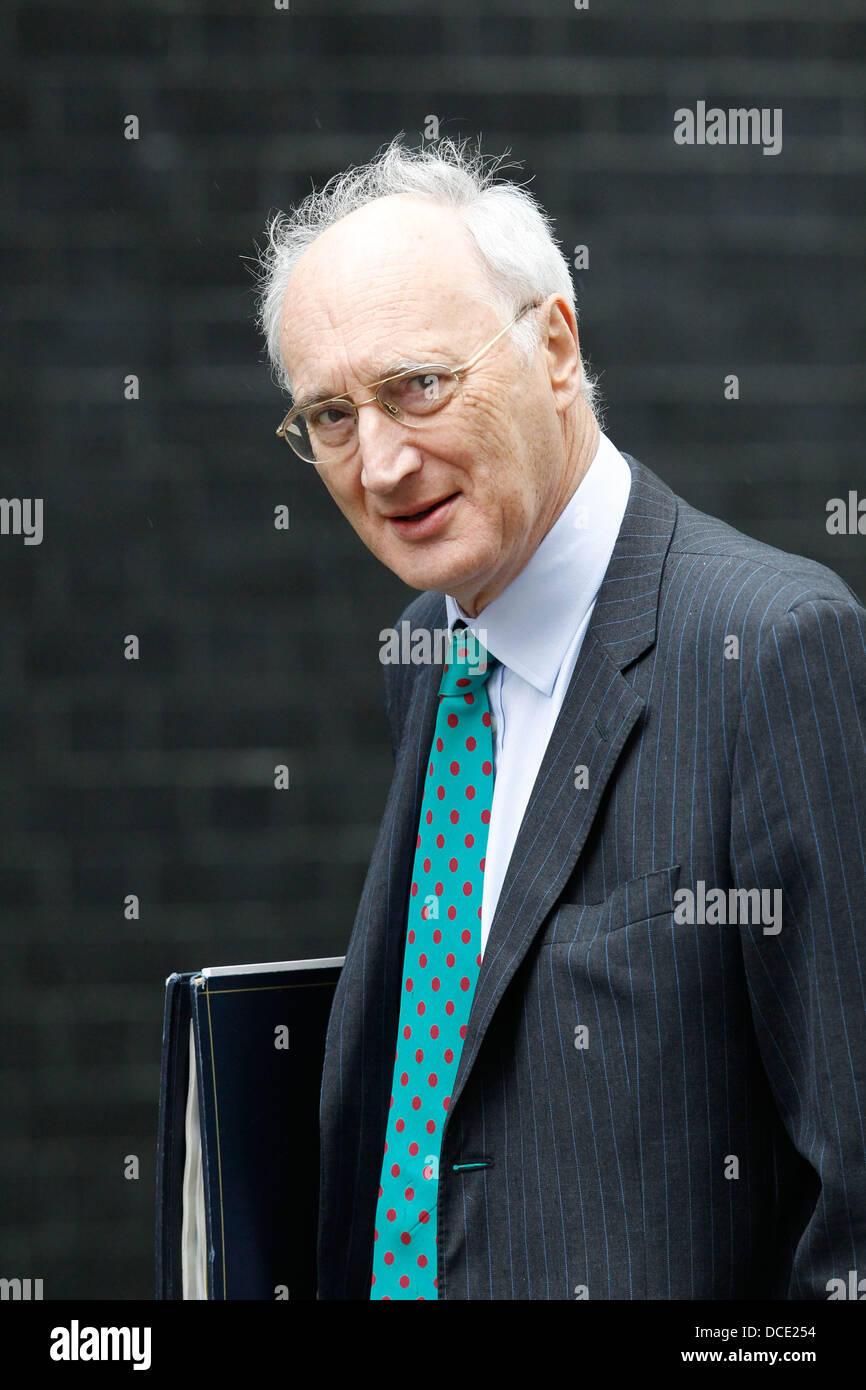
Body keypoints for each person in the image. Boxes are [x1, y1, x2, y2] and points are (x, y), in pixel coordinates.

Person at [255, 135, 866, 1300]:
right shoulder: (433, 657)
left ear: (551, 344)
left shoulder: (773, 652)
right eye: (329, 416)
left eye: (416, 386)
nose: (380, 464)